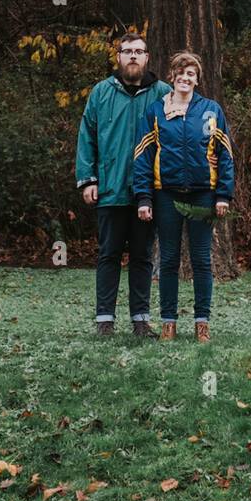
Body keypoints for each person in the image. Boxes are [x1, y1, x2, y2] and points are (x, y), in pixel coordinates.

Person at [133, 51, 234, 343]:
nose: (185, 78)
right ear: (172, 77)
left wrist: (223, 195)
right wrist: (143, 198)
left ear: (197, 79)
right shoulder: (156, 111)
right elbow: (142, 155)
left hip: (204, 195)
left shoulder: (211, 110)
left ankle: (202, 323)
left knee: (202, 260)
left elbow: (225, 155)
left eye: (191, 73)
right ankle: (168, 323)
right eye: (181, 73)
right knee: (168, 260)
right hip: (166, 196)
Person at [75, 33, 171, 337]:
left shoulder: (163, 93)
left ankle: (141, 320)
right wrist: (88, 179)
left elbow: (178, 137)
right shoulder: (101, 93)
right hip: (109, 189)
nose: (132, 56)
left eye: (138, 51)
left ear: (147, 57)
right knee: (109, 254)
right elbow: (86, 137)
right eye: (127, 51)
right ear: (118, 57)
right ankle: (105, 320)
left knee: (143, 256)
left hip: (148, 193)